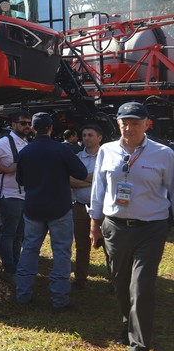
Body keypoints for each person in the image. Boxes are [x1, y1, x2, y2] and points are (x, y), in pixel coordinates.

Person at [89, 102, 174, 351]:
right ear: (118, 124)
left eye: (136, 122)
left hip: (151, 227)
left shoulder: (164, 154)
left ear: (147, 124)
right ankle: (127, 322)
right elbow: (98, 188)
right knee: (120, 281)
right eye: (125, 122)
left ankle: (139, 348)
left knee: (142, 285)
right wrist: (95, 223)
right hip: (116, 227)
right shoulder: (107, 150)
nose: (130, 127)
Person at [15, 112, 87, 309]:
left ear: (33, 128)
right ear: (51, 128)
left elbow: (20, 180)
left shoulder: (25, 152)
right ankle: (59, 299)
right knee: (61, 252)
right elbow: (80, 172)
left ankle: (23, 294)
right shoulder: (61, 150)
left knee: (29, 250)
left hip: (33, 207)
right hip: (59, 207)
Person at [0, 111, 33, 285]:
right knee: (9, 233)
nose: (27, 126)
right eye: (23, 123)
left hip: (24, 196)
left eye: (29, 123)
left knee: (19, 234)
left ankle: (15, 266)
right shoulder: (4, 142)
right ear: (14, 124)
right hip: (9, 196)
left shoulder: (26, 143)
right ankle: (9, 269)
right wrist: (6, 170)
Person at [69, 124, 103, 290]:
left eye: (90, 135)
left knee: (110, 247)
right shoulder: (76, 158)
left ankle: (115, 284)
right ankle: (80, 281)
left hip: (103, 209)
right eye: (84, 135)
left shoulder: (106, 156)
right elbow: (70, 181)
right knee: (82, 246)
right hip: (80, 207)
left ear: (99, 138)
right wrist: (94, 179)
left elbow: (108, 180)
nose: (86, 138)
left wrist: (82, 180)